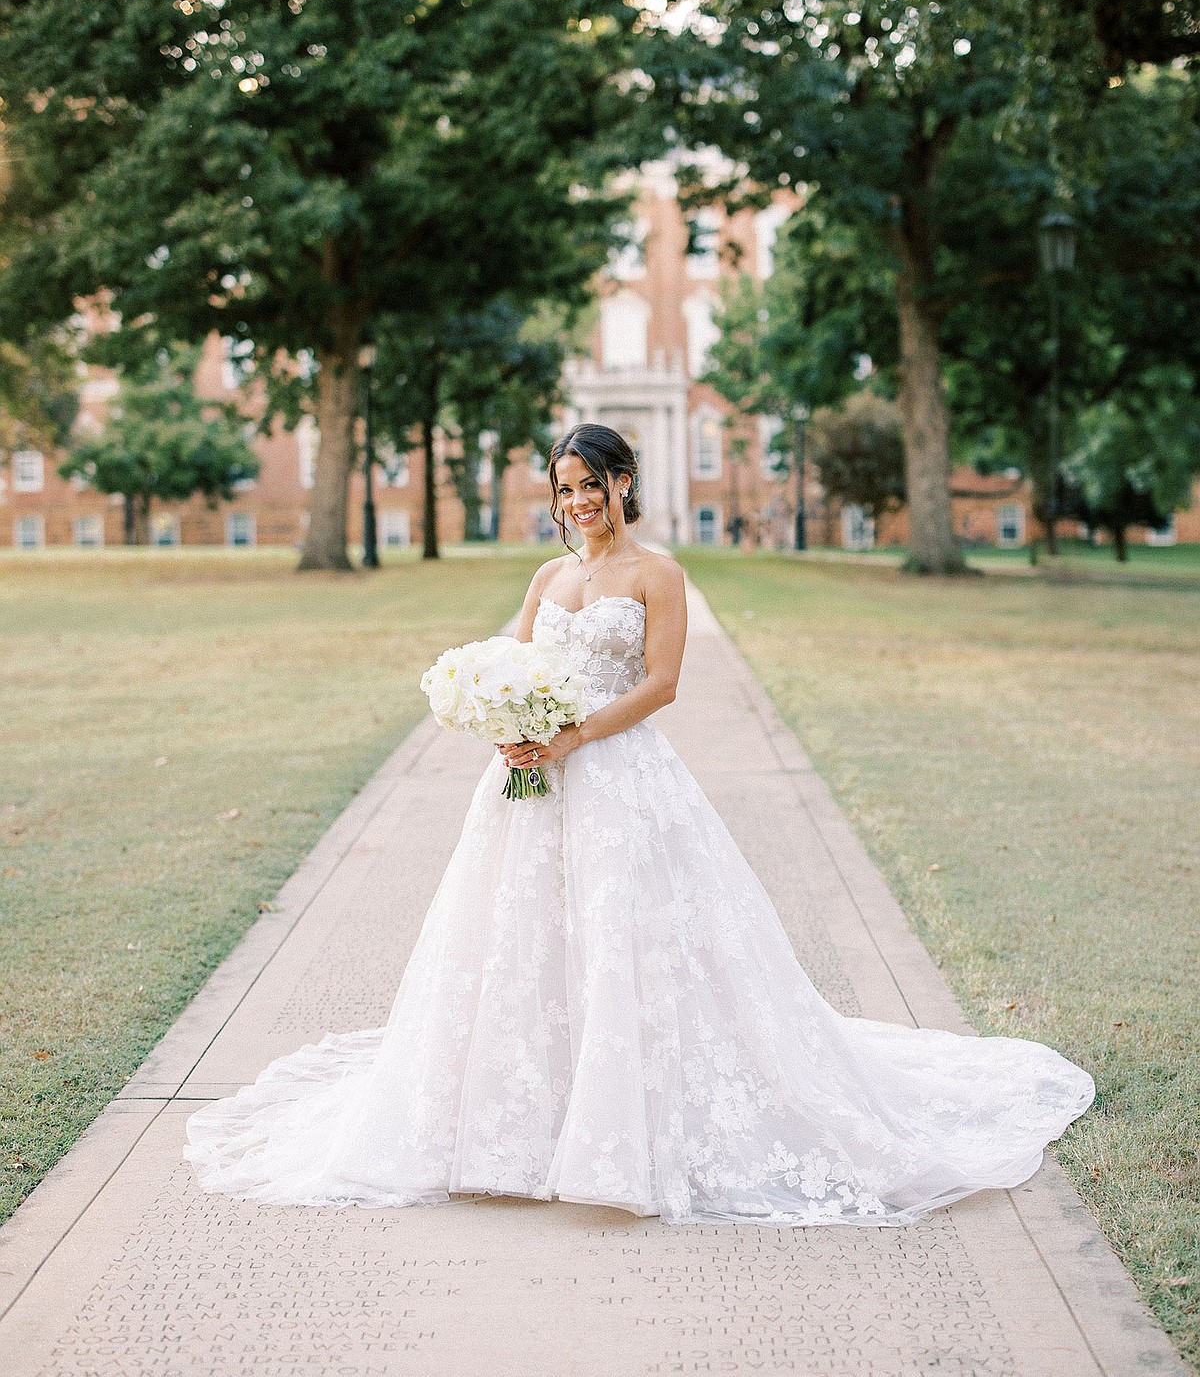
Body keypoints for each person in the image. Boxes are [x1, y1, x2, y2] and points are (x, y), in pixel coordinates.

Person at [185, 423, 1093, 1225]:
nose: (579, 501)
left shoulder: (659, 572)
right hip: (530, 784)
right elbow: (513, 663)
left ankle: (622, 1121)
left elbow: (660, 684)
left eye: (593, 483)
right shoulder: (547, 574)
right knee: (518, 942)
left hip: (619, 777)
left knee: (629, 938)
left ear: (624, 481)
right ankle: (522, 1121)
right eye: (565, 488)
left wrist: (574, 735)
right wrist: (508, 723)